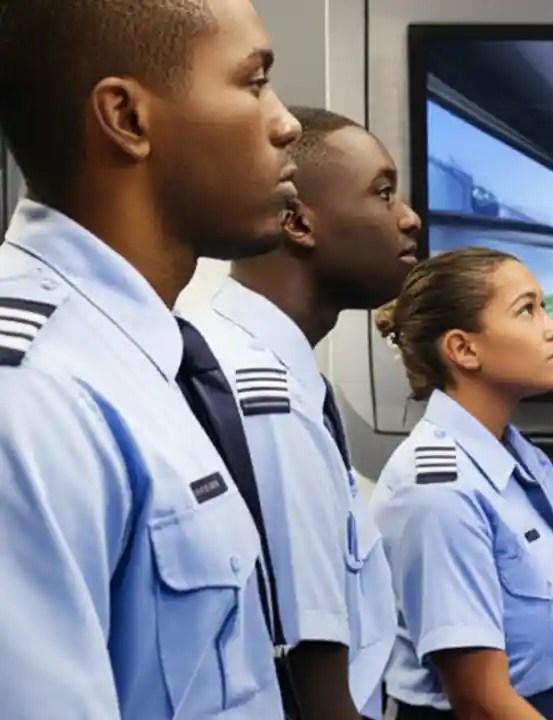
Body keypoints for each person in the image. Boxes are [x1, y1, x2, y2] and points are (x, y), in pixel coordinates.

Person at [0, 0, 300, 718]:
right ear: (127, 119)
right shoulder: (34, 398)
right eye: (255, 81)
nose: (287, 122)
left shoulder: (136, 357)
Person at [183, 105, 419, 719]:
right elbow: (311, 675)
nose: (409, 218)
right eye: (383, 193)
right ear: (298, 223)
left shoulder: (265, 365)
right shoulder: (264, 398)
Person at [369, 247, 553, 720]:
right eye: (527, 310)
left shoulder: (524, 459)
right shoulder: (437, 492)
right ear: (463, 349)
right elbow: (480, 700)